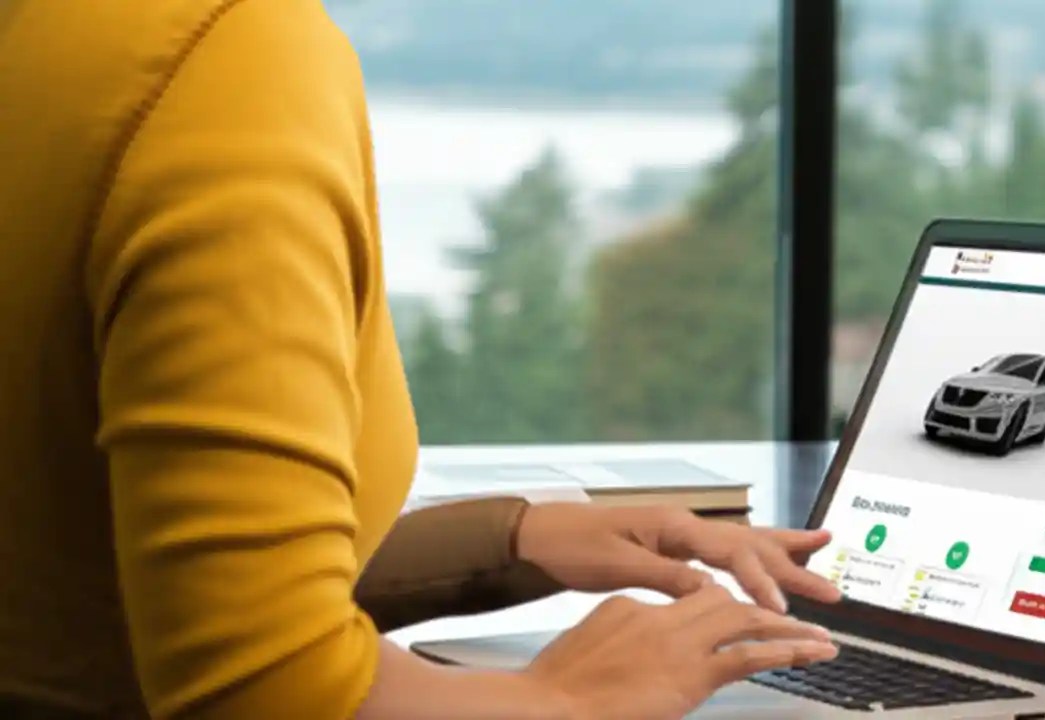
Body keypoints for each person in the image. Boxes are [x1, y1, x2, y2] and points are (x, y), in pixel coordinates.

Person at [0, 1, 843, 718]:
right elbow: (264, 692)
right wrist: (566, 699)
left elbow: (83, 564)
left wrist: (510, 540)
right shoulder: (228, 63)